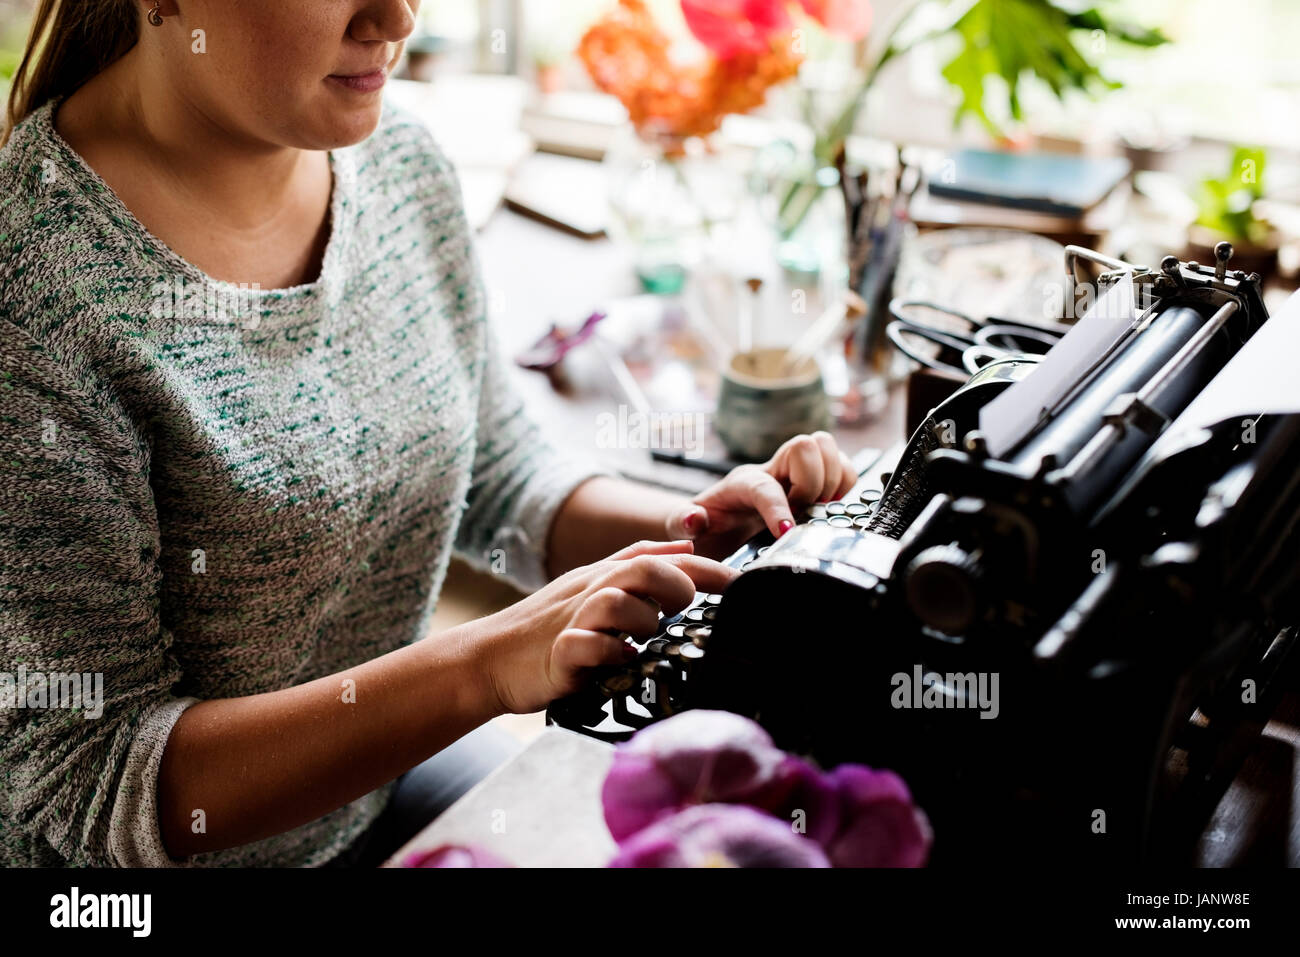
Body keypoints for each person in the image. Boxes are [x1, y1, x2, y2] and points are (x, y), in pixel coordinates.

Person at [0, 0, 859, 867]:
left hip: (379, 790)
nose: (397, 15)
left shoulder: (398, 160)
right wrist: (485, 667)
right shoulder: (32, 300)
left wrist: (716, 533)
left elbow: (502, 473)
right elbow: (95, 782)